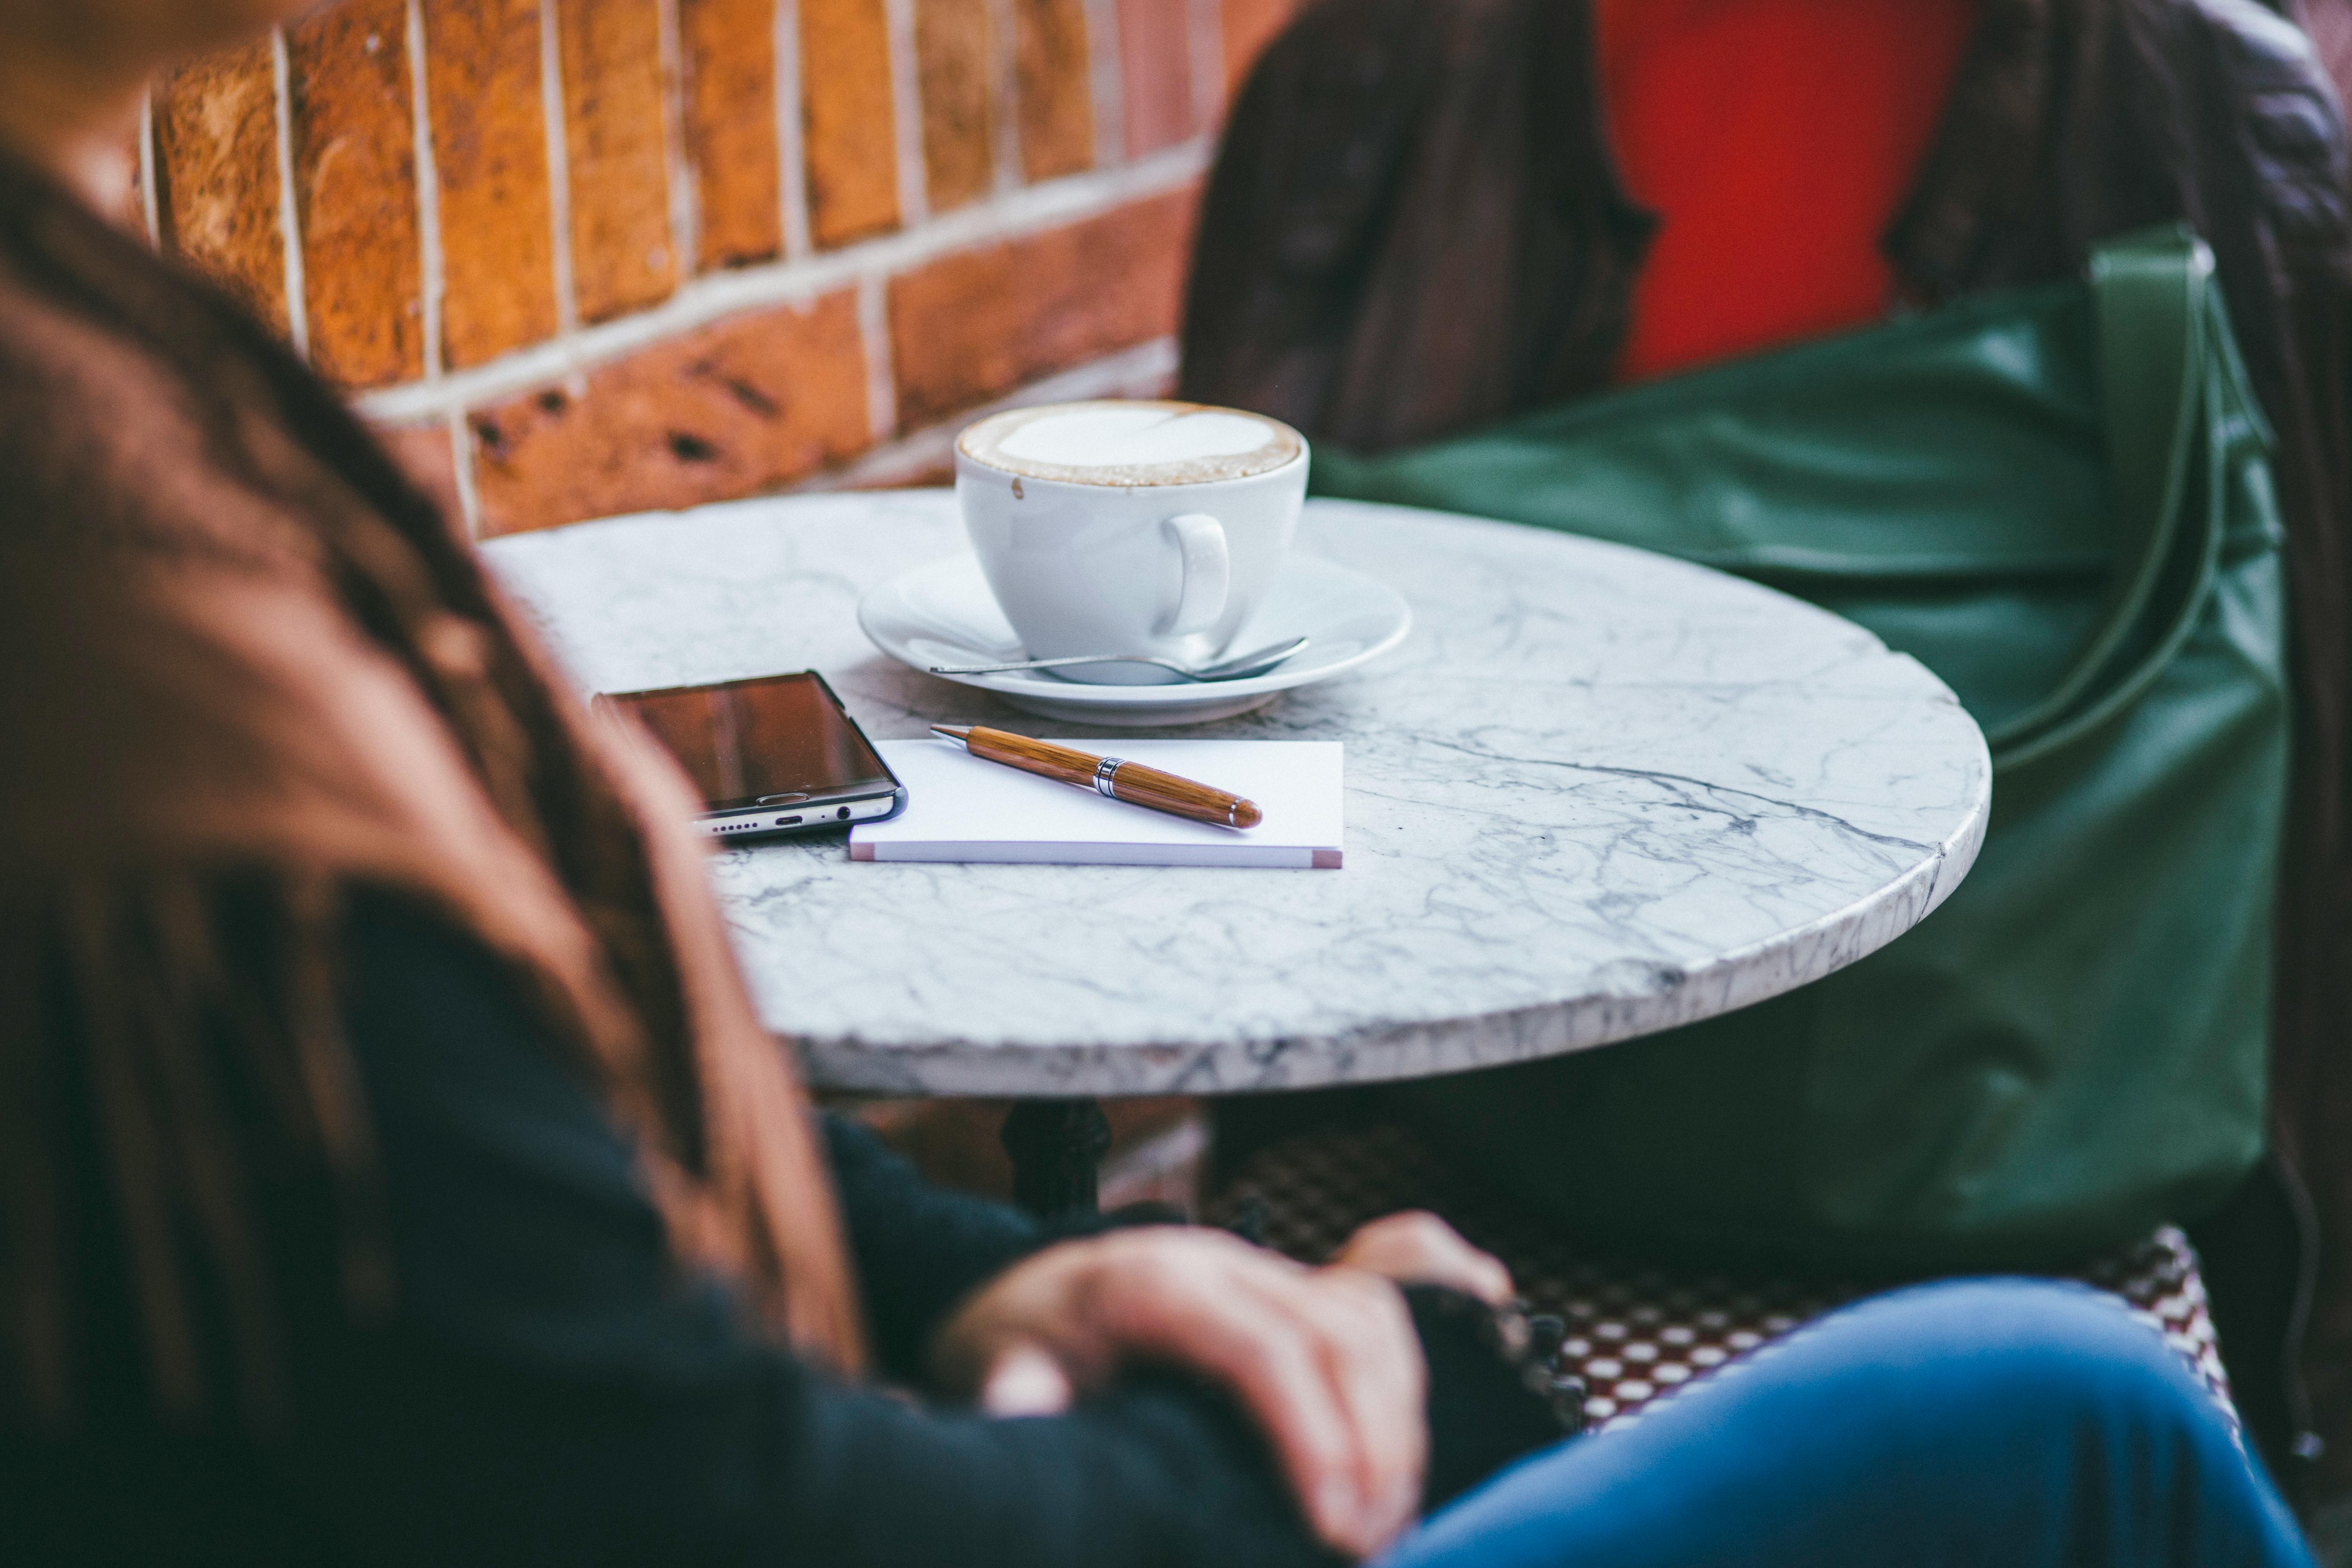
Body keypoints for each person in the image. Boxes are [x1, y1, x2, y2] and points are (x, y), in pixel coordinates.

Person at [0, 2, 2320, 1564]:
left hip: (1004, 1363)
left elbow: (494, 1148)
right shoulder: (117, 684)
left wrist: (990, 1282)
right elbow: (681, 1490)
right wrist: (1394, 1371)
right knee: (2068, 1413)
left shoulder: (114, 368)